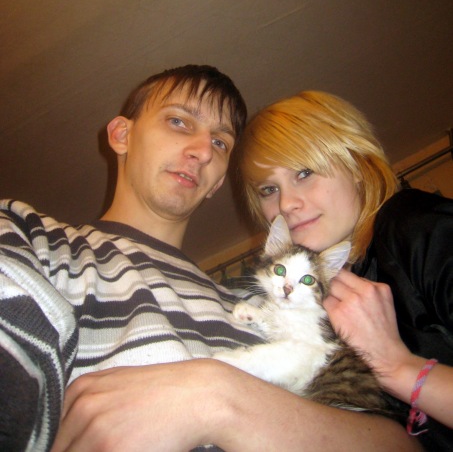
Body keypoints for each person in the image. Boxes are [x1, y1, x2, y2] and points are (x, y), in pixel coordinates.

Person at [0, 67, 420, 452]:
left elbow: (402, 445)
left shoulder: (254, 304)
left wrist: (215, 399)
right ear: (121, 134)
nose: (203, 150)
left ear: (218, 181)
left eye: (220, 142)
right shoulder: (28, 237)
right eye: (179, 121)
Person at [239, 89, 453, 451]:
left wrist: (398, 367)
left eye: (304, 172)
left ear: (356, 166)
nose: (286, 203)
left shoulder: (416, 228)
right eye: (269, 189)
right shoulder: (317, 295)